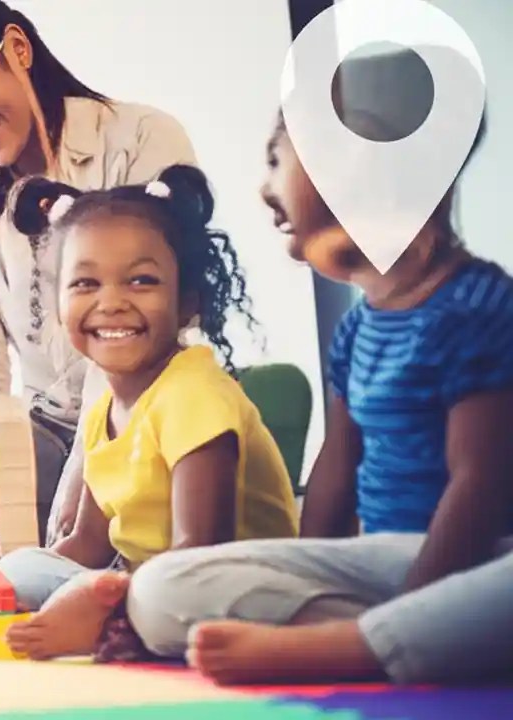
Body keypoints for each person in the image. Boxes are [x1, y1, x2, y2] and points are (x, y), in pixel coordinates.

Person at [126, 49, 513, 686]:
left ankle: (378, 640)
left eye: (278, 158)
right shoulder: (359, 324)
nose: (263, 186)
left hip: (478, 560)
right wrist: (308, 562)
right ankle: (383, 639)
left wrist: (419, 600)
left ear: (359, 166)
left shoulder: (477, 307)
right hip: (385, 569)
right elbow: (337, 463)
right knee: (160, 589)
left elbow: (481, 486)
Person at [0, 0, 198, 591]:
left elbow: (129, 332)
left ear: (17, 49)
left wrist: (77, 496)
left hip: (139, 411)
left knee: (78, 591)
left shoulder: (141, 138)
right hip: (35, 428)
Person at [0, 164, 297, 660]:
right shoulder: (104, 407)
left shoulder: (193, 392)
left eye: (141, 281)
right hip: (150, 584)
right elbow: (86, 542)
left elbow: (200, 549)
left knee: (158, 594)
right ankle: (115, 617)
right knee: (19, 569)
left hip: (232, 589)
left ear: (187, 302)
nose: (111, 303)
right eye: (85, 284)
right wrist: (1, 588)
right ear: (59, 301)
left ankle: (118, 619)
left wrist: (109, 595)